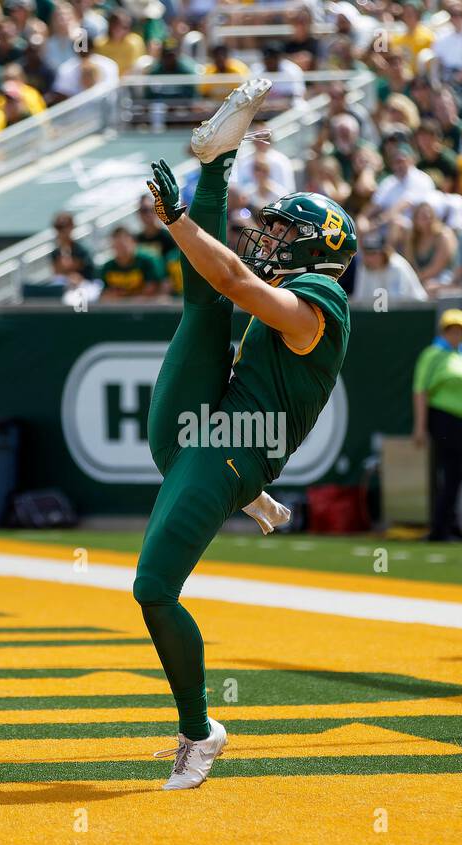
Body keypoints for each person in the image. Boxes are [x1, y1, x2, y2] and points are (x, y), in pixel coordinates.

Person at [136, 78, 355, 788]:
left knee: (153, 588)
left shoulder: (320, 302)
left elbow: (234, 277)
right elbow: (219, 282)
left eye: (286, 234)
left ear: (320, 250)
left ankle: (200, 732)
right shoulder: (299, 285)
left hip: (237, 445)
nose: (271, 239)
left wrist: (177, 220)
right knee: (196, 317)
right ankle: (219, 161)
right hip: (216, 423)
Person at [412, 309, 462, 542]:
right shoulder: (434, 354)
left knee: (459, 475)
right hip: (447, 420)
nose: (456, 334)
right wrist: (420, 426)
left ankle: (451, 524)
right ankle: (440, 528)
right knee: (451, 474)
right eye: (451, 330)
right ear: (443, 331)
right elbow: (420, 390)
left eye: (460, 330)